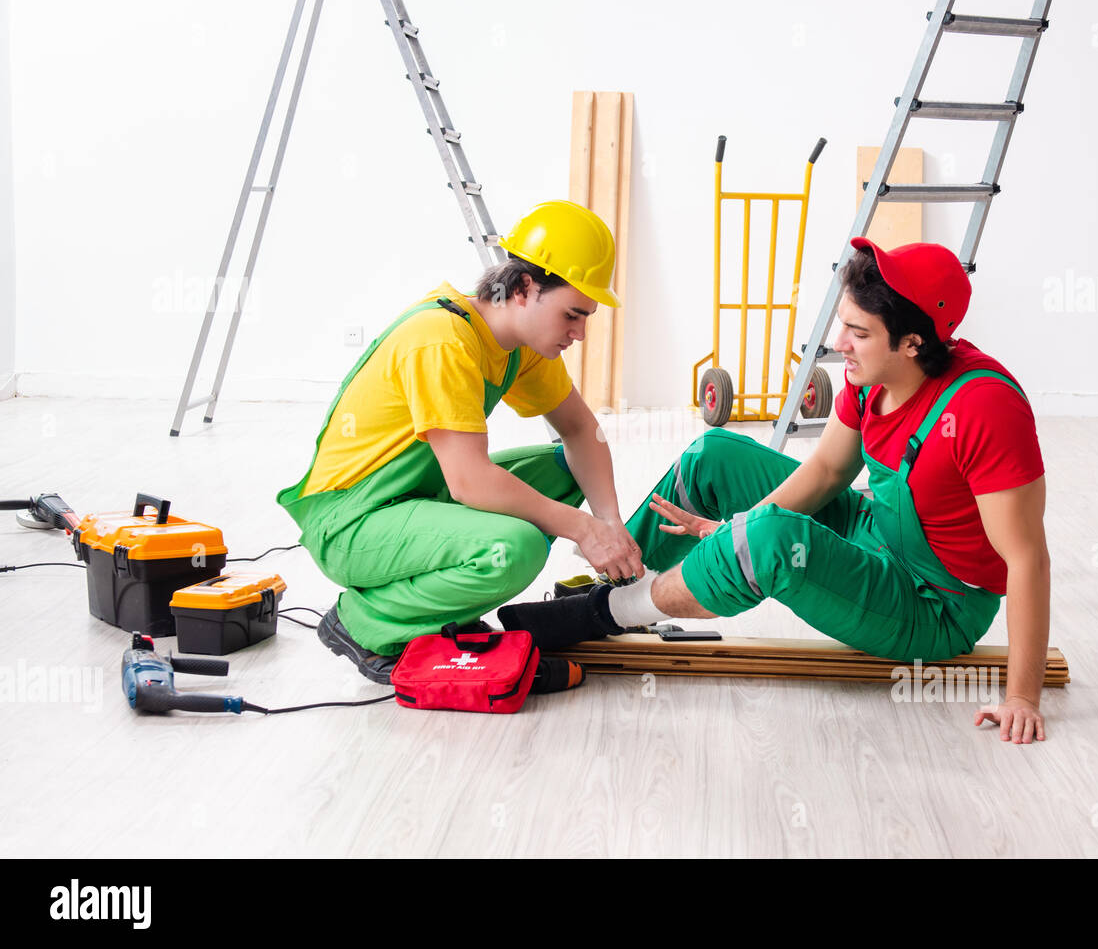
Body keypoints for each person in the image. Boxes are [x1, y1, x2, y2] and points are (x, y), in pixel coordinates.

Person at [499, 238, 1052, 743]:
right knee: (713, 455)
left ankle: (607, 612)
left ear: (912, 343)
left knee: (767, 541)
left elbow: (1027, 559)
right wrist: (734, 526)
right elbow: (828, 473)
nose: (839, 346)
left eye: (858, 334)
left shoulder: (984, 409)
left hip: (933, 603)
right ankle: (614, 574)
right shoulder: (869, 382)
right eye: (843, 325)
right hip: (874, 530)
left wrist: (1022, 696)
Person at [275, 200, 645, 686]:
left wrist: (609, 524)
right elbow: (470, 481)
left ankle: (440, 608)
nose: (578, 333)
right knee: (517, 548)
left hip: (414, 498)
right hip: (351, 522)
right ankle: (366, 622)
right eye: (572, 315)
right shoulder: (442, 340)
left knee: (563, 470)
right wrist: (583, 529)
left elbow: (581, 431)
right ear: (524, 288)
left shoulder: (520, 348)